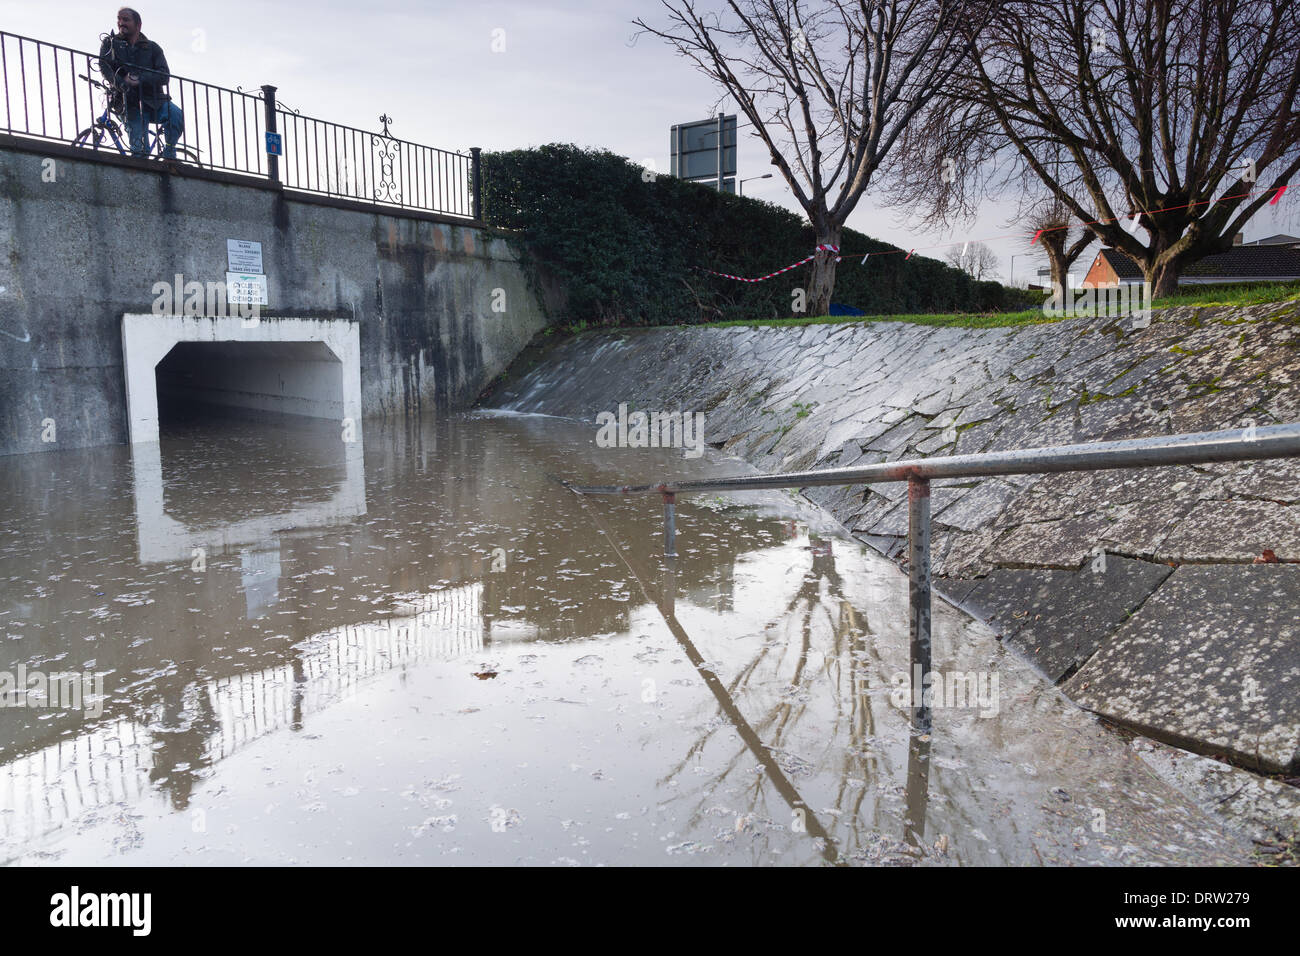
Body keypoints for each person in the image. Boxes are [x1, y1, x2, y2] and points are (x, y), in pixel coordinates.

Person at [98, 7, 184, 160]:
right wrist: (121, 84)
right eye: (119, 19)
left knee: (176, 115)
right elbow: (105, 67)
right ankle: (142, 177)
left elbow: (164, 76)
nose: (121, 23)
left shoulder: (152, 47)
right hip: (127, 102)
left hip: (155, 100)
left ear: (138, 25)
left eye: (126, 20)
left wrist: (139, 79)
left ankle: (170, 152)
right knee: (141, 152)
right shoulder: (110, 43)